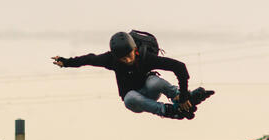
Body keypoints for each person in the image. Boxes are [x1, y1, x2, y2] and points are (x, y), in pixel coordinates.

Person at [52, 31, 213, 120]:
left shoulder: (145, 58)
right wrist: (66, 62)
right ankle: (168, 110)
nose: (128, 60)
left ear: (135, 50)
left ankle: (178, 98)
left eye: (129, 56)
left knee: (154, 82)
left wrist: (184, 95)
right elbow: (89, 59)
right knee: (129, 98)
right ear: (116, 58)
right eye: (123, 59)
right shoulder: (110, 60)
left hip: (150, 91)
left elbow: (179, 67)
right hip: (135, 101)